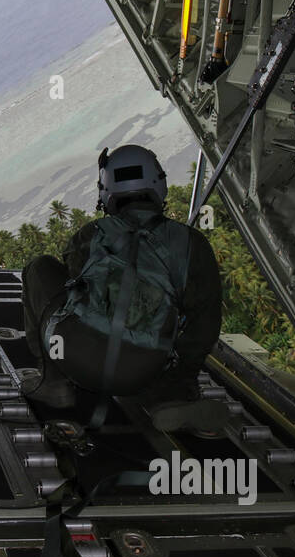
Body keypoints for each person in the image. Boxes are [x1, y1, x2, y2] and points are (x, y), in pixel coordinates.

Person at [20, 144, 221, 412]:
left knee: (39, 268)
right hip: (143, 372)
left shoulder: (91, 234)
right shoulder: (192, 243)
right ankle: (166, 396)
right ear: (158, 184)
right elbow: (205, 325)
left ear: (107, 192)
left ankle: (54, 383)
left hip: (76, 357)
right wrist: (180, 380)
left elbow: (70, 290)